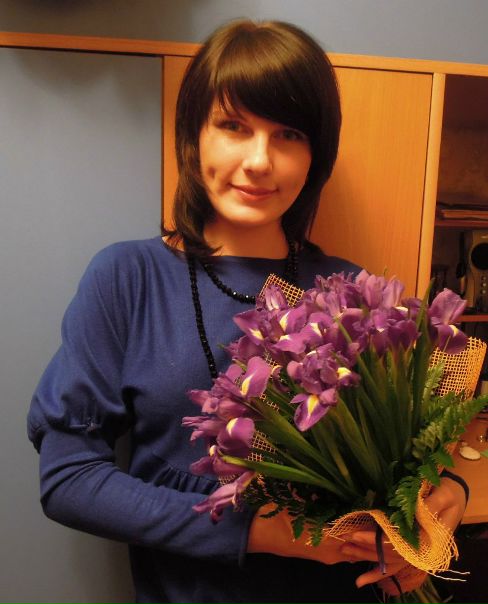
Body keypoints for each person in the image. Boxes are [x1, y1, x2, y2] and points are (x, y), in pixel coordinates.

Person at [28, 19, 468, 604]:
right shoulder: (128, 278)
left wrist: (447, 492)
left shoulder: (353, 293)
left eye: (288, 133)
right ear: (194, 135)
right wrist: (258, 534)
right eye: (233, 125)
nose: (260, 160)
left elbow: (399, 451)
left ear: (315, 156)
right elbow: (70, 479)